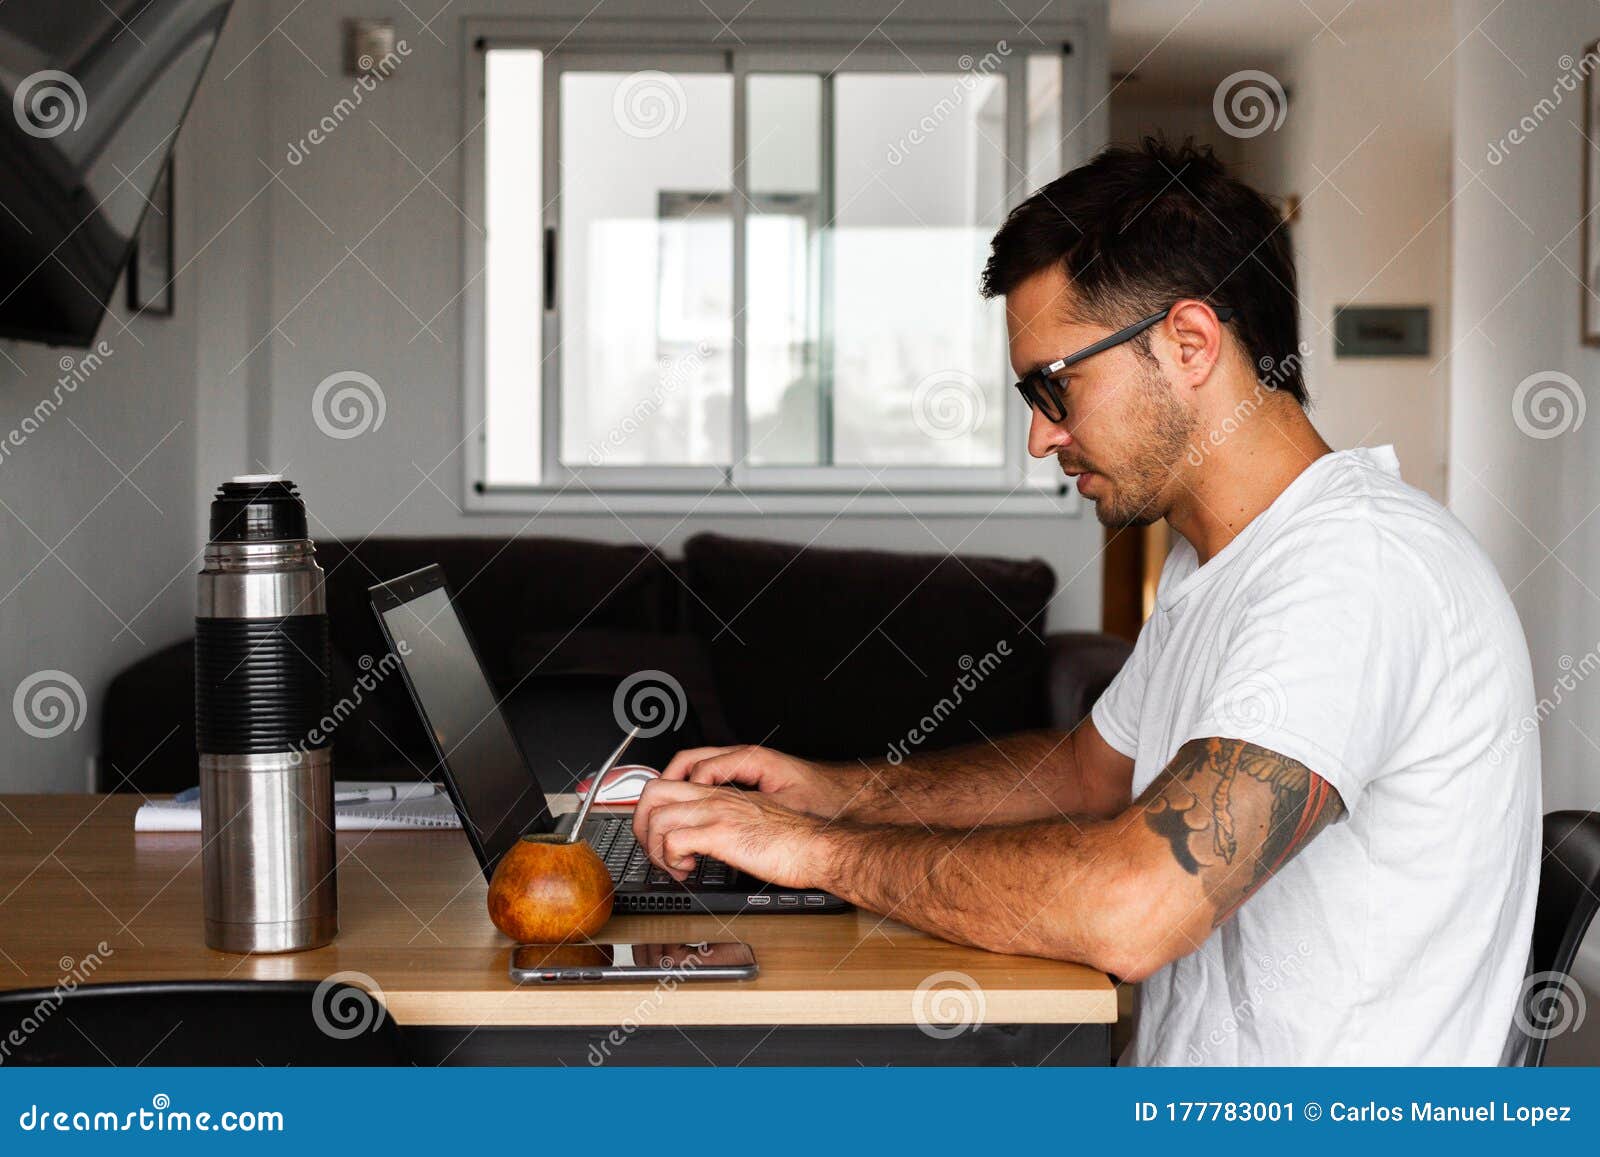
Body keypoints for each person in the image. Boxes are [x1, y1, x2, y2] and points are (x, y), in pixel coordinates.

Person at [631, 138, 1541, 1065]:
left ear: (1190, 343)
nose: (1040, 436)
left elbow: (1132, 905)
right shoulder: (1223, 562)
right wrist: (838, 795)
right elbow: (1089, 776)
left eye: (1055, 386)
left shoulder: (1357, 568)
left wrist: (813, 855)